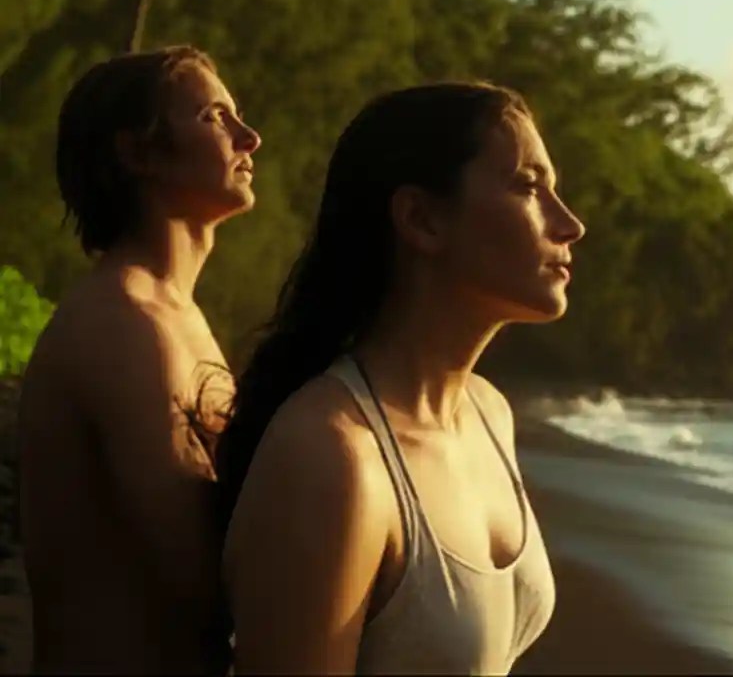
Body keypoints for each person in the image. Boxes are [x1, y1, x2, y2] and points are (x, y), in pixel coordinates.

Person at [215, 82, 584, 674]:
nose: (570, 226)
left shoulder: (488, 413)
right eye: (529, 187)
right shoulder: (333, 455)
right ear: (421, 219)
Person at [17, 45, 261, 674]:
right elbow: (200, 572)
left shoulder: (175, 316)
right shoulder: (123, 323)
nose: (249, 137)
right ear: (138, 152)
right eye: (215, 117)